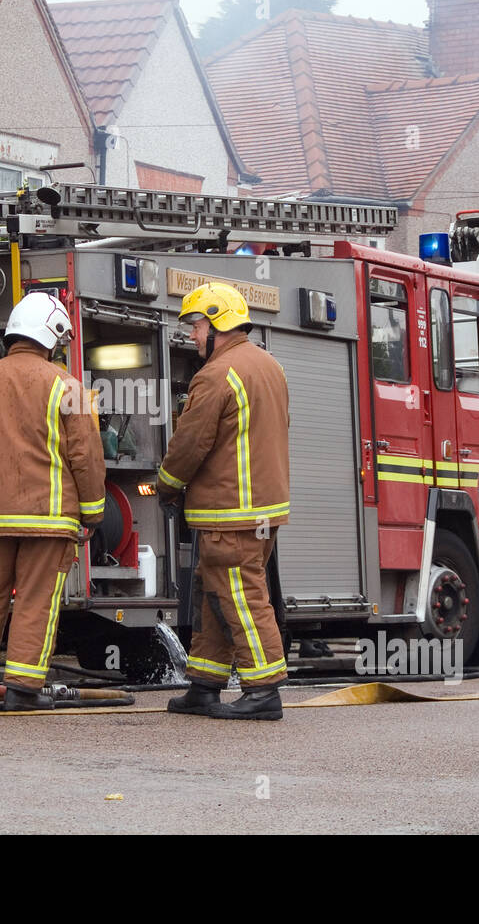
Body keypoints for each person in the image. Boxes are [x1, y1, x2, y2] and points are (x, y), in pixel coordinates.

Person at [0, 292, 105, 711]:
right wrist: (93, 512)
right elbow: (86, 456)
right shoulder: (70, 388)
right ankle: (21, 691)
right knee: (36, 600)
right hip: (50, 521)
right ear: (51, 336)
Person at [157, 282, 290, 720]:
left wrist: (167, 484)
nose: (192, 336)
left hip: (229, 510)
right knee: (216, 594)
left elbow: (190, 443)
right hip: (260, 509)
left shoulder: (216, 374)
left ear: (217, 323)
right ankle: (204, 684)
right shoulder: (269, 366)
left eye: (196, 326)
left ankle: (263, 689)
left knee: (240, 595)